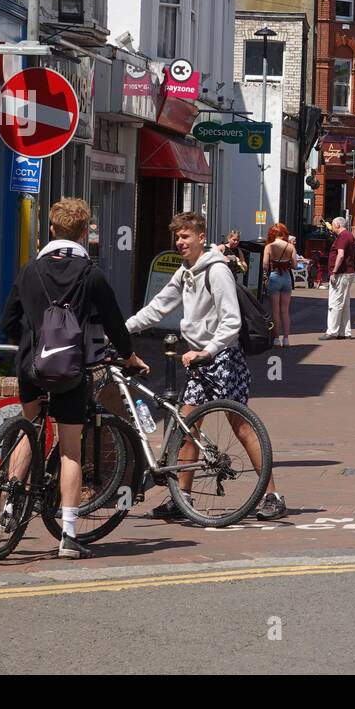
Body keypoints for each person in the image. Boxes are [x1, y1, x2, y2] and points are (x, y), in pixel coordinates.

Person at [0, 199, 148, 558]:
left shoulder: (29, 270)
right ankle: (68, 534)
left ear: (51, 229)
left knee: (29, 425)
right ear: (85, 232)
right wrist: (128, 355)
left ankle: (9, 503)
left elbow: (7, 323)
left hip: (31, 367)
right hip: (69, 371)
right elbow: (115, 322)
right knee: (70, 450)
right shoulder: (89, 274)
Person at [127, 211, 286, 521]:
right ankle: (181, 498)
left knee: (240, 425)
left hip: (223, 355)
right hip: (200, 358)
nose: (180, 242)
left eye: (185, 236)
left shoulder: (216, 271)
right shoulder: (186, 272)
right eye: (177, 237)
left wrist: (208, 351)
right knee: (188, 427)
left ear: (201, 237)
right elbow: (157, 308)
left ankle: (273, 496)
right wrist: (122, 330)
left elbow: (231, 321)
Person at [321, 216, 355, 340]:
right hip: (348, 272)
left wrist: (334, 271)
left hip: (341, 273)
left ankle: (332, 331)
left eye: (333, 224)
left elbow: (340, 255)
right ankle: (345, 331)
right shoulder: (350, 236)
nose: (332, 227)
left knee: (335, 302)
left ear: (337, 225)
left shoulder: (342, 237)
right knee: (344, 303)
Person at [262, 223, 296, 347]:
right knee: (285, 311)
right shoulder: (290, 247)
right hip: (286, 277)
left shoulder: (269, 247)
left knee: (275, 311)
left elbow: (265, 265)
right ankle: (286, 339)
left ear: (272, 233)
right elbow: (294, 265)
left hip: (274, 276)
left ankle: (276, 339)